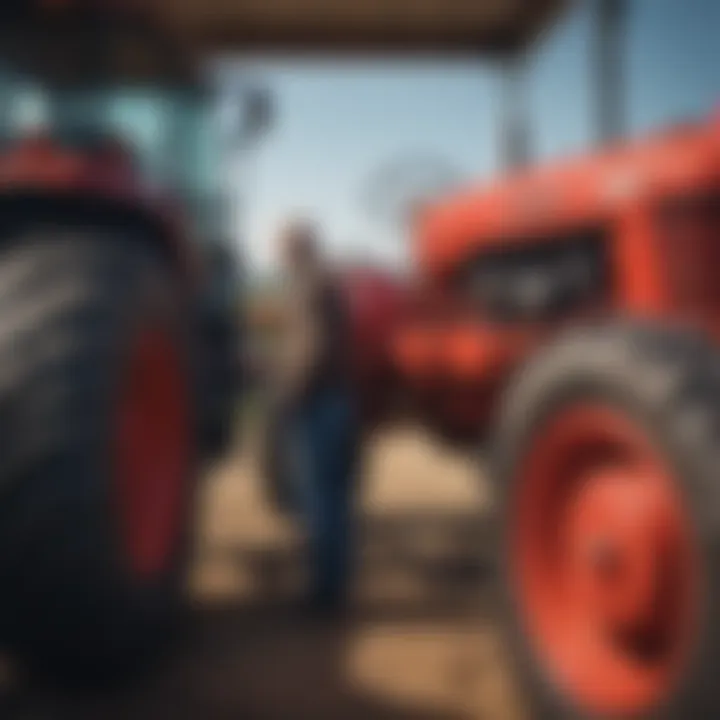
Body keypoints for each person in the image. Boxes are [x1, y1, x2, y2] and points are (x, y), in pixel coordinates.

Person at [273, 218, 358, 613]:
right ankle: (336, 588)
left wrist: (291, 393)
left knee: (319, 501)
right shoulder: (325, 280)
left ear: (297, 247)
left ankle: (323, 594)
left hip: (318, 404)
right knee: (335, 501)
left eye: (284, 246)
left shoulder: (309, 284)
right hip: (337, 400)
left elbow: (312, 348)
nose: (279, 254)